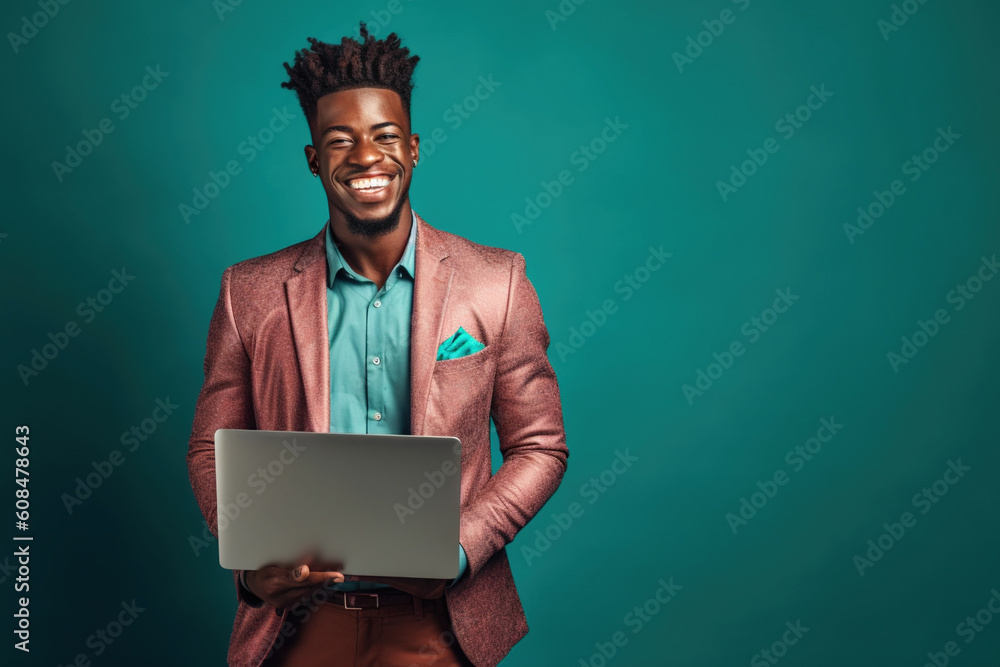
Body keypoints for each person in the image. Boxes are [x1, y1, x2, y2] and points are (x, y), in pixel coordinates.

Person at [187, 21, 568, 667]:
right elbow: (208, 446)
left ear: (413, 148)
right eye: (340, 140)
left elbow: (540, 446)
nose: (366, 155)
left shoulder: (497, 282)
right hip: (297, 630)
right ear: (313, 159)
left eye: (385, 135)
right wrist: (251, 566)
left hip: (441, 628)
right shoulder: (245, 292)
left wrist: (458, 550)